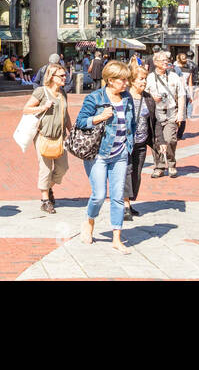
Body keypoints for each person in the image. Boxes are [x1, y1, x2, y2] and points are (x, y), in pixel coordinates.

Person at [74, 59, 134, 252]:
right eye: (122, 80)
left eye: (126, 80)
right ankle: (89, 222)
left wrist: (128, 146)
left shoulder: (127, 98)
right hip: (98, 154)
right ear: (110, 80)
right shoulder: (95, 98)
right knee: (99, 195)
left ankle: (117, 237)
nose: (125, 84)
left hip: (120, 154)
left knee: (117, 197)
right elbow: (80, 121)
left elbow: (130, 125)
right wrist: (99, 117)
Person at [23, 62, 72, 214]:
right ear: (52, 77)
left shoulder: (63, 93)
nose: (65, 78)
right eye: (62, 75)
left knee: (62, 168)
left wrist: (72, 131)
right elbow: (26, 109)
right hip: (43, 136)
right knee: (45, 169)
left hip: (59, 137)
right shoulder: (41, 92)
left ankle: (48, 187)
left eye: (65, 75)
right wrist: (42, 107)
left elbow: (66, 114)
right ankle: (45, 200)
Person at [122, 63, 157, 219]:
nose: (144, 82)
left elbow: (154, 122)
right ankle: (125, 205)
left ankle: (129, 200)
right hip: (124, 143)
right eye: (141, 79)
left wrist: (160, 142)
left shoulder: (148, 98)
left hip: (141, 143)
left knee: (136, 174)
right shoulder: (123, 96)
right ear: (132, 80)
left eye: (145, 79)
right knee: (127, 172)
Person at [147, 51, 186, 177]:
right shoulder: (150, 78)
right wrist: (153, 97)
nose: (166, 62)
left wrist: (180, 114)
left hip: (170, 111)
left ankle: (171, 163)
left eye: (166, 60)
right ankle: (159, 166)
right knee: (157, 140)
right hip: (155, 112)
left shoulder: (174, 76)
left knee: (170, 139)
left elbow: (181, 95)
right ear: (155, 62)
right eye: (163, 60)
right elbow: (144, 94)